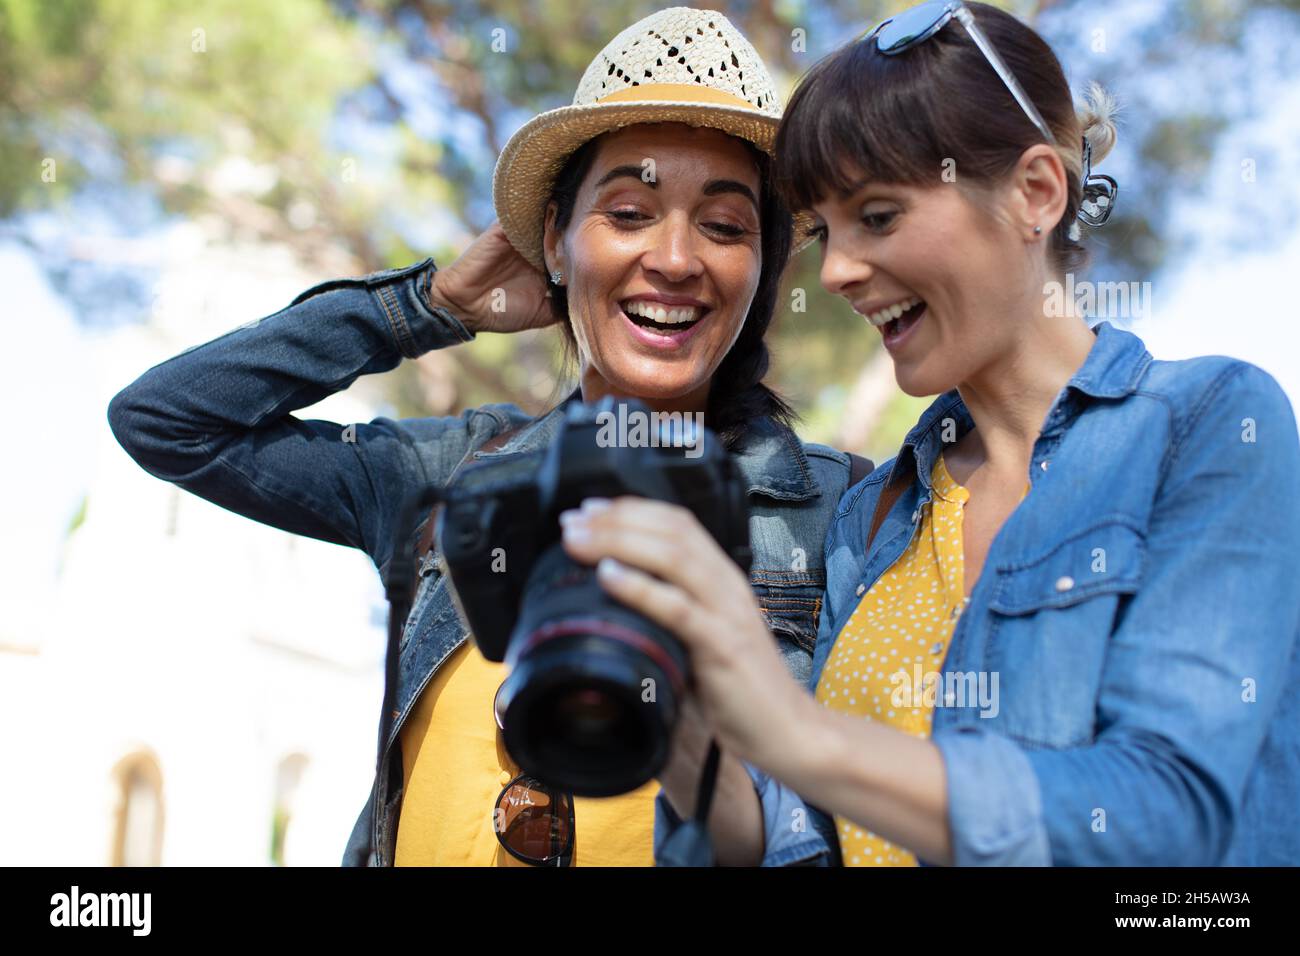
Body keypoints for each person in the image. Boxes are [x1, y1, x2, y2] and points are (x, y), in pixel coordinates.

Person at [107, 7, 869, 867]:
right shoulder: (452, 470)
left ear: (765, 268)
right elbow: (169, 420)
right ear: (553, 238)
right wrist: (429, 307)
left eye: (727, 227)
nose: (676, 258)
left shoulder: (847, 513)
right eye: (627, 212)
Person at [556, 0, 1300, 866]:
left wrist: (797, 731)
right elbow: (799, 835)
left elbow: (1165, 817)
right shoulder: (873, 512)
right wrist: (681, 708)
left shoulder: (1210, 425)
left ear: (1035, 193)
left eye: (876, 217)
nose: (834, 271)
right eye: (825, 231)